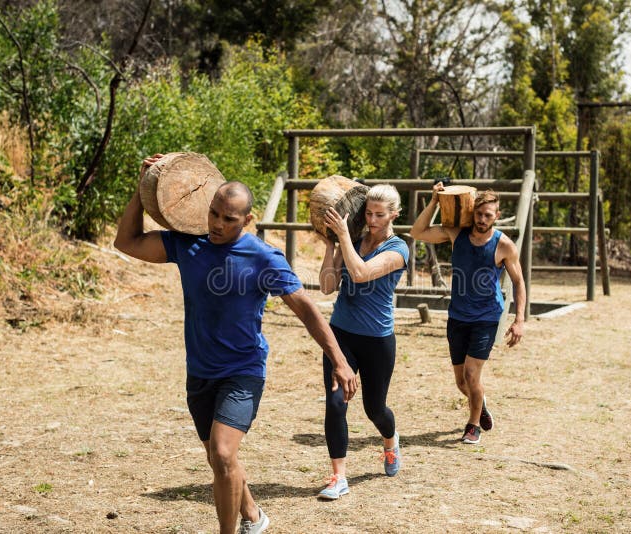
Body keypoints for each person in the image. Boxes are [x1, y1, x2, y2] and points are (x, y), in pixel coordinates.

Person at [114, 154, 358, 534]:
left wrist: (340, 360)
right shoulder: (188, 244)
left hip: (243, 371)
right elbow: (126, 242)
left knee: (224, 453)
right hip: (200, 371)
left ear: (247, 220)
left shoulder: (263, 258)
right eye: (214, 213)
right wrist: (143, 187)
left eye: (229, 219)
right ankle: (254, 516)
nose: (217, 224)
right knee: (218, 457)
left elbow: (307, 310)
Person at [411, 182, 525, 445]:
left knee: (473, 375)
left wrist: (519, 320)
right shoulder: (456, 234)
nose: (483, 219)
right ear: (473, 213)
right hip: (458, 317)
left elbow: (518, 282)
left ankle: (473, 425)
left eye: (489, 215)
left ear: (497, 216)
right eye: (479, 214)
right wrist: (434, 202)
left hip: (486, 318)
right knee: (463, 383)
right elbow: (418, 231)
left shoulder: (504, 245)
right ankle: (480, 401)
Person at [315, 184, 409, 500]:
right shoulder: (352, 238)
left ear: (395, 214)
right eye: (368, 212)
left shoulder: (399, 250)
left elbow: (360, 273)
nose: (371, 219)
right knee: (335, 401)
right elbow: (328, 286)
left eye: (379, 214)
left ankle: (390, 440)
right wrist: (331, 244)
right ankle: (338, 477)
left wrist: (342, 236)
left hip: (377, 340)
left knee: (374, 408)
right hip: (340, 334)